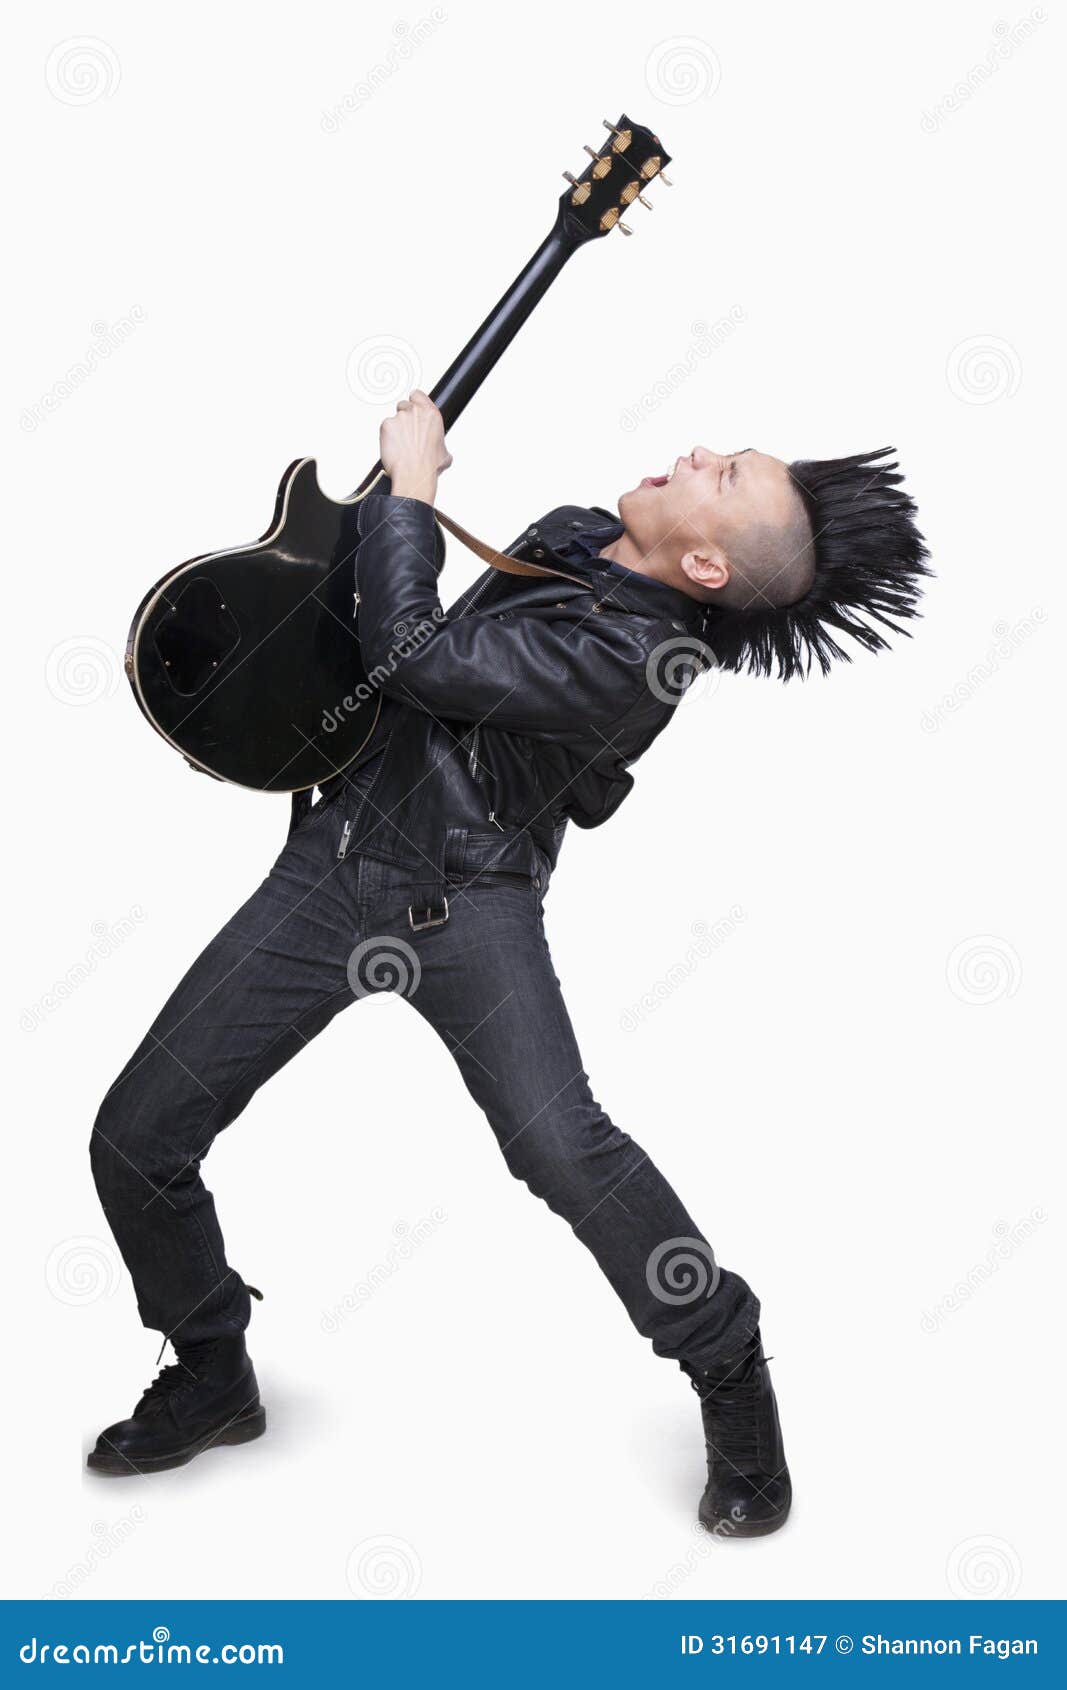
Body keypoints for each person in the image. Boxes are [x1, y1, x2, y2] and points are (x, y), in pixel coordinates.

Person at [87, 392, 928, 1537]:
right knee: (136, 1135)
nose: (696, 451)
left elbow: (414, 656)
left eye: (723, 475)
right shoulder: (576, 531)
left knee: (561, 1149)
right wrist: (354, 532)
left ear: (704, 566)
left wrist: (416, 494)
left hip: (463, 904)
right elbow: (390, 655)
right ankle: (209, 1365)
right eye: (722, 451)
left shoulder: (641, 657)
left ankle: (726, 1360)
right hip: (336, 862)